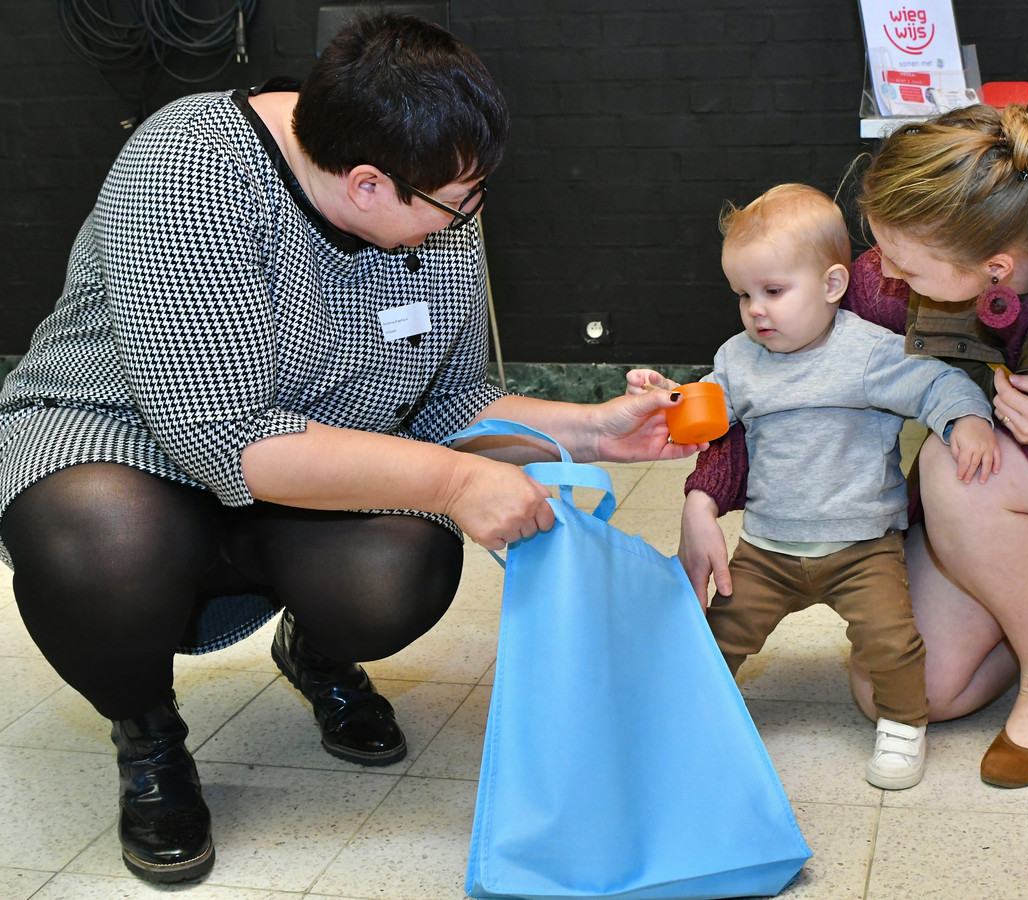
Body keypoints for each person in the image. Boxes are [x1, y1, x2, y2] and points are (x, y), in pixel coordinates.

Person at [0, 15, 698, 885]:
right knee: (102, 547)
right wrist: (453, 481)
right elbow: (225, 436)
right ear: (367, 185)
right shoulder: (189, 165)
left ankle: (317, 650)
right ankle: (148, 737)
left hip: (314, 455)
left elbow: (449, 401)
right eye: (461, 199)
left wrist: (594, 428)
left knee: (403, 564)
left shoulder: (428, 183)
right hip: (122, 440)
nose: (472, 213)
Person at [639, 83, 1028, 790]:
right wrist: (703, 488)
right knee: (899, 692)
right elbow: (781, 377)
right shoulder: (913, 266)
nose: (882, 275)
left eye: (904, 265)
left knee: (960, 466)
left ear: (993, 268)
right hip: (1017, 508)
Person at [648, 183, 998, 790]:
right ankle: (692, 711)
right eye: (743, 295)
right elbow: (704, 413)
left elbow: (936, 384)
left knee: (891, 641)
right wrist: (665, 399)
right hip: (767, 549)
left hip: (862, 548)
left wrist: (966, 418)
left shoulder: (868, 354)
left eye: (773, 291)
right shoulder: (739, 359)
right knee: (721, 633)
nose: (756, 311)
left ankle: (903, 725)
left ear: (832, 285)